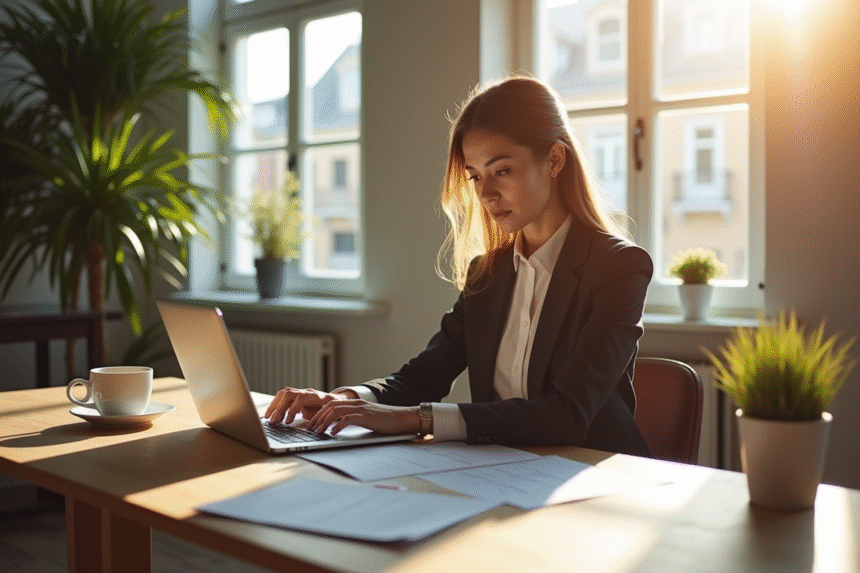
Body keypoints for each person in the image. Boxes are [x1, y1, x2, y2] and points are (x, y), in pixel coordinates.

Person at [266, 75, 653, 456]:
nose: (486, 193)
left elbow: (566, 415)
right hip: (505, 467)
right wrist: (346, 399)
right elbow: (426, 374)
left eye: (502, 171)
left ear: (554, 159)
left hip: (596, 473)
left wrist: (414, 419)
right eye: (475, 176)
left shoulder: (619, 268)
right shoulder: (489, 272)